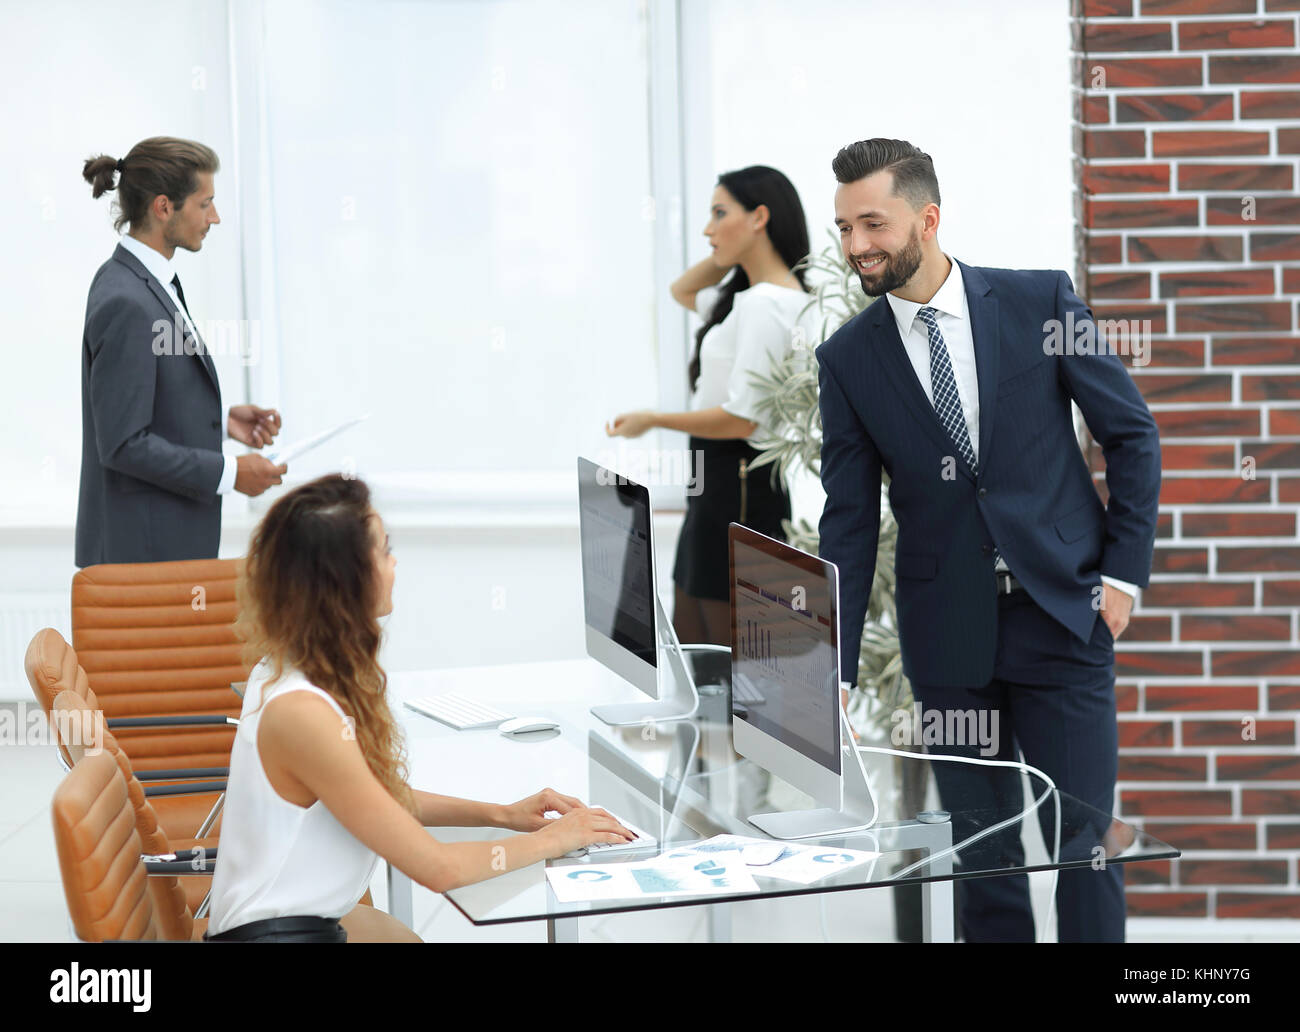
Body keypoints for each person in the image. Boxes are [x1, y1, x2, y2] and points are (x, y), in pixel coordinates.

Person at [816, 139, 1160, 942]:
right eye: (843, 227)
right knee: (984, 857)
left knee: (1085, 850)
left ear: (927, 218)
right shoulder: (847, 359)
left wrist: (1124, 578)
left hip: (1063, 617)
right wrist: (824, 660)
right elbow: (849, 519)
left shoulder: (1039, 302)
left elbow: (1132, 435)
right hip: (948, 644)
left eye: (874, 222)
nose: (857, 245)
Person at [205, 474, 633, 942]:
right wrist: (553, 839)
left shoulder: (293, 669)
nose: (394, 563)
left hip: (305, 923)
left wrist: (501, 814)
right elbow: (438, 868)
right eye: (384, 550)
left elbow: (377, 798)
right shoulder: (302, 713)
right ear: (345, 579)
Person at [607, 166, 813, 646]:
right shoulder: (753, 299)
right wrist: (734, 249)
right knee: (699, 647)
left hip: (736, 483)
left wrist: (653, 419)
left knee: (722, 658)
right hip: (721, 484)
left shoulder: (765, 305)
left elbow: (743, 418)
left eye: (720, 214)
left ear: (760, 216)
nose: (706, 229)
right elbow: (682, 291)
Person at [77, 137, 286, 567]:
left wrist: (218, 421)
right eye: (205, 203)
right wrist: (230, 473)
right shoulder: (127, 300)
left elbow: (144, 400)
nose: (216, 217)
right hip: (141, 562)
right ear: (163, 207)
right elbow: (123, 444)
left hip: (159, 552)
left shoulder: (141, 282)